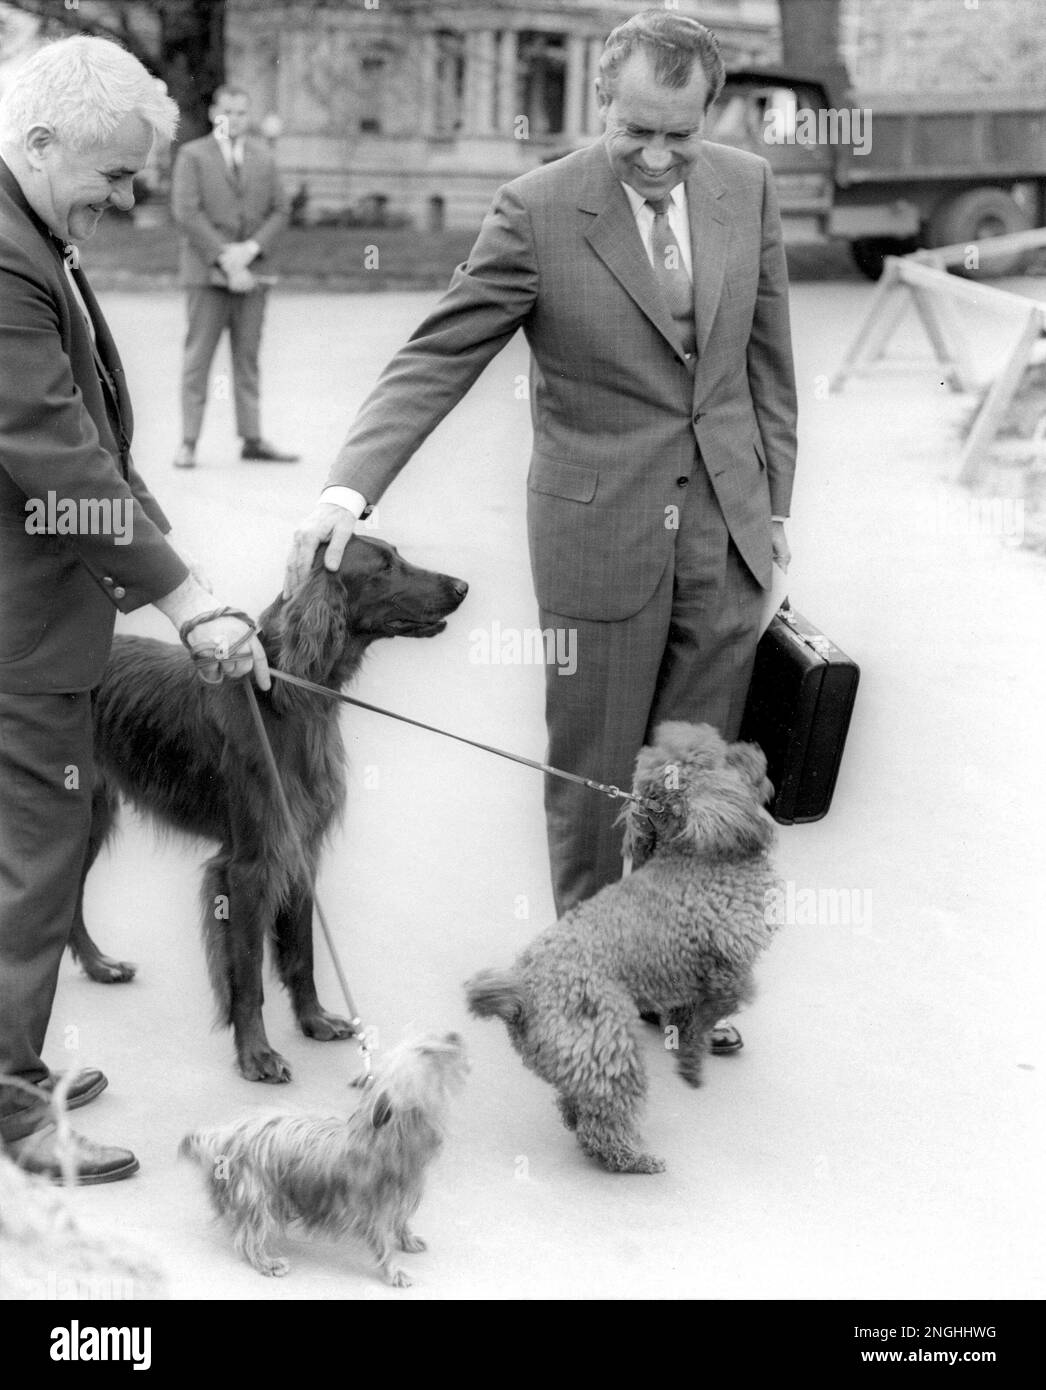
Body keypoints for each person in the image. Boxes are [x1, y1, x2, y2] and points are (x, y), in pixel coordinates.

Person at [285, 10, 797, 1051]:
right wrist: (348, 491)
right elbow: (438, 355)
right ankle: (585, 985)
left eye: (679, 134)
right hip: (597, 536)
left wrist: (771, 507)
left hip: (727, 537)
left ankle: (682, 971)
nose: (656, 157)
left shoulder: (745, 186)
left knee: (696, 780)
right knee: (599, 776)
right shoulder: (535, 208)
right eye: (635, 130)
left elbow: (768, 369)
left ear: (711, 112)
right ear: (598, 102)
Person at [0, 36, 269, 1184]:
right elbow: (55, 456)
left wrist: (183, 591)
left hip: (39, 607)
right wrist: (188, 599)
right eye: (115, 175)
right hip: (19, 631)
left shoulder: (32, 234)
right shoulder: (8, 258)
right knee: (33, 857)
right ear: (42, 139)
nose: (129, 195)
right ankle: (13, 1103)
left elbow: (92, 445)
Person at [170, 84, 298, 468]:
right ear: (214, 113)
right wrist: (228, 259)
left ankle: (252, 438)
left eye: (243, 113)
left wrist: (251, 251)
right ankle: (188, 441)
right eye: (228, 112)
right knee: (198, 359)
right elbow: (186, 213)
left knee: (248, 358)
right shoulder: (192, 155)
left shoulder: (264, 156)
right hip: (207, 273)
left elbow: (281, 210)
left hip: (254, 273)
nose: (235, 120)